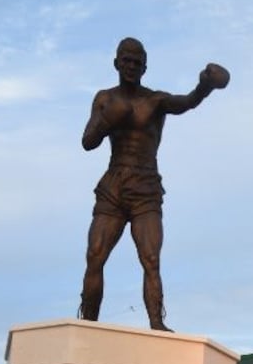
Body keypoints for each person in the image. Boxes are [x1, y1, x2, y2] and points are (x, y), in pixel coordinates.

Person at [78, 37, 230, 330]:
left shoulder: (155, 101)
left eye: (137, 62)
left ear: (144, 67)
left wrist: (205, 86)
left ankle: (156, 324)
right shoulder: (104, 99)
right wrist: (107, 121)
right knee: (94, 256)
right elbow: (87, 142)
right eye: (126, 60)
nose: (131, 66)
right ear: (116, 63)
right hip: (114, 184)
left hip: (146, 185)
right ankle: (88, 325)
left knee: (150, 258)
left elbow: (186, 102)